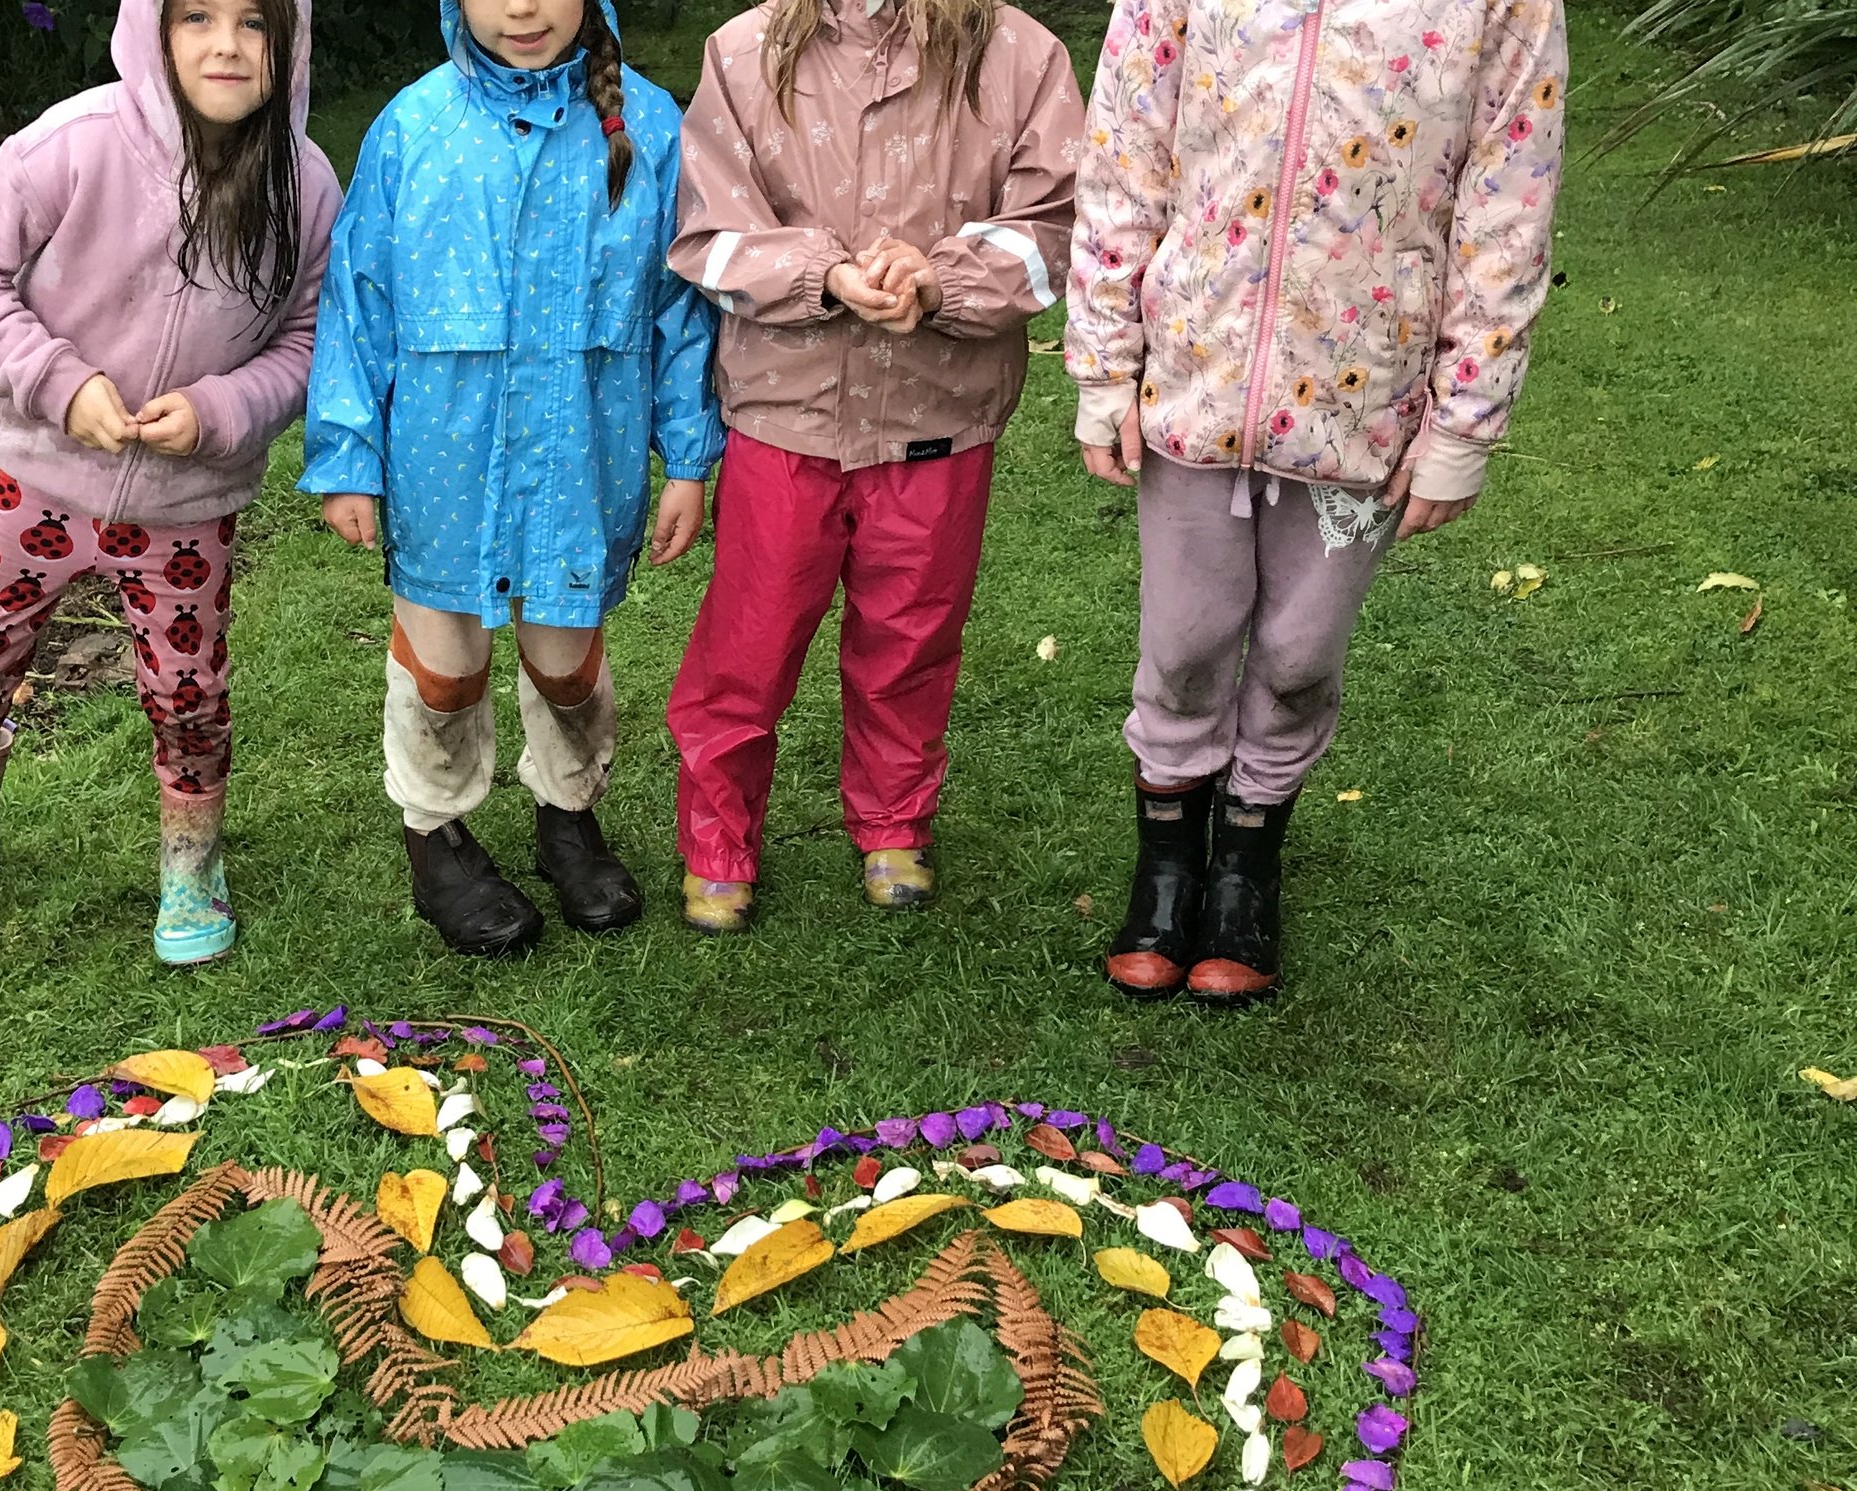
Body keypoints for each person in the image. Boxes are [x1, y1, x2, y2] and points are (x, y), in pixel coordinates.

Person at [1070, 0, 1566, 1003]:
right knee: (1183, 644)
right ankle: (1167, 868)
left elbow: (1509, 203)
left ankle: (1247, 865)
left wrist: (1462, 423)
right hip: (1195, 376)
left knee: (1299, 656)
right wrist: (1102, 364)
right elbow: (1123, 151)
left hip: (1365, 393)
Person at [0, 0, 340, 964]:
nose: (226, 45)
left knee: (189, 695)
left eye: (254, 23)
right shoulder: (71, 144)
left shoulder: (305, 186)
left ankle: (191, 870)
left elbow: (313, 341)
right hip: (36, 484)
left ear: (292, 41)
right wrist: (64, 385)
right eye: (197, 17)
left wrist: (225, 408)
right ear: (153, 26)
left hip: (188, 507)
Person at [302, 0, 724, 958]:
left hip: (584, 451)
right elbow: (358, 299)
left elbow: (680, 310)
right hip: (443, 453)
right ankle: (436, 834)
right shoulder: (414, 126)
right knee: (443, 667)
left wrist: (688, 457)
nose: (523, 8)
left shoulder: (649, 125)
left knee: (567, 659)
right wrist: (346, 455)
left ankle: (567, 813)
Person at [663, 0, 1083, 933]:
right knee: (751, 639)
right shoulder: (744, 51)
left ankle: (896, 822)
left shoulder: (1018, 54)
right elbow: (707, 233)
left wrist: (945, 279)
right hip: (787, 412)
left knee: (912, 634)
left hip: (938, 414)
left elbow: (1057, 224)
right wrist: (822, 274)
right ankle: (718, 837)